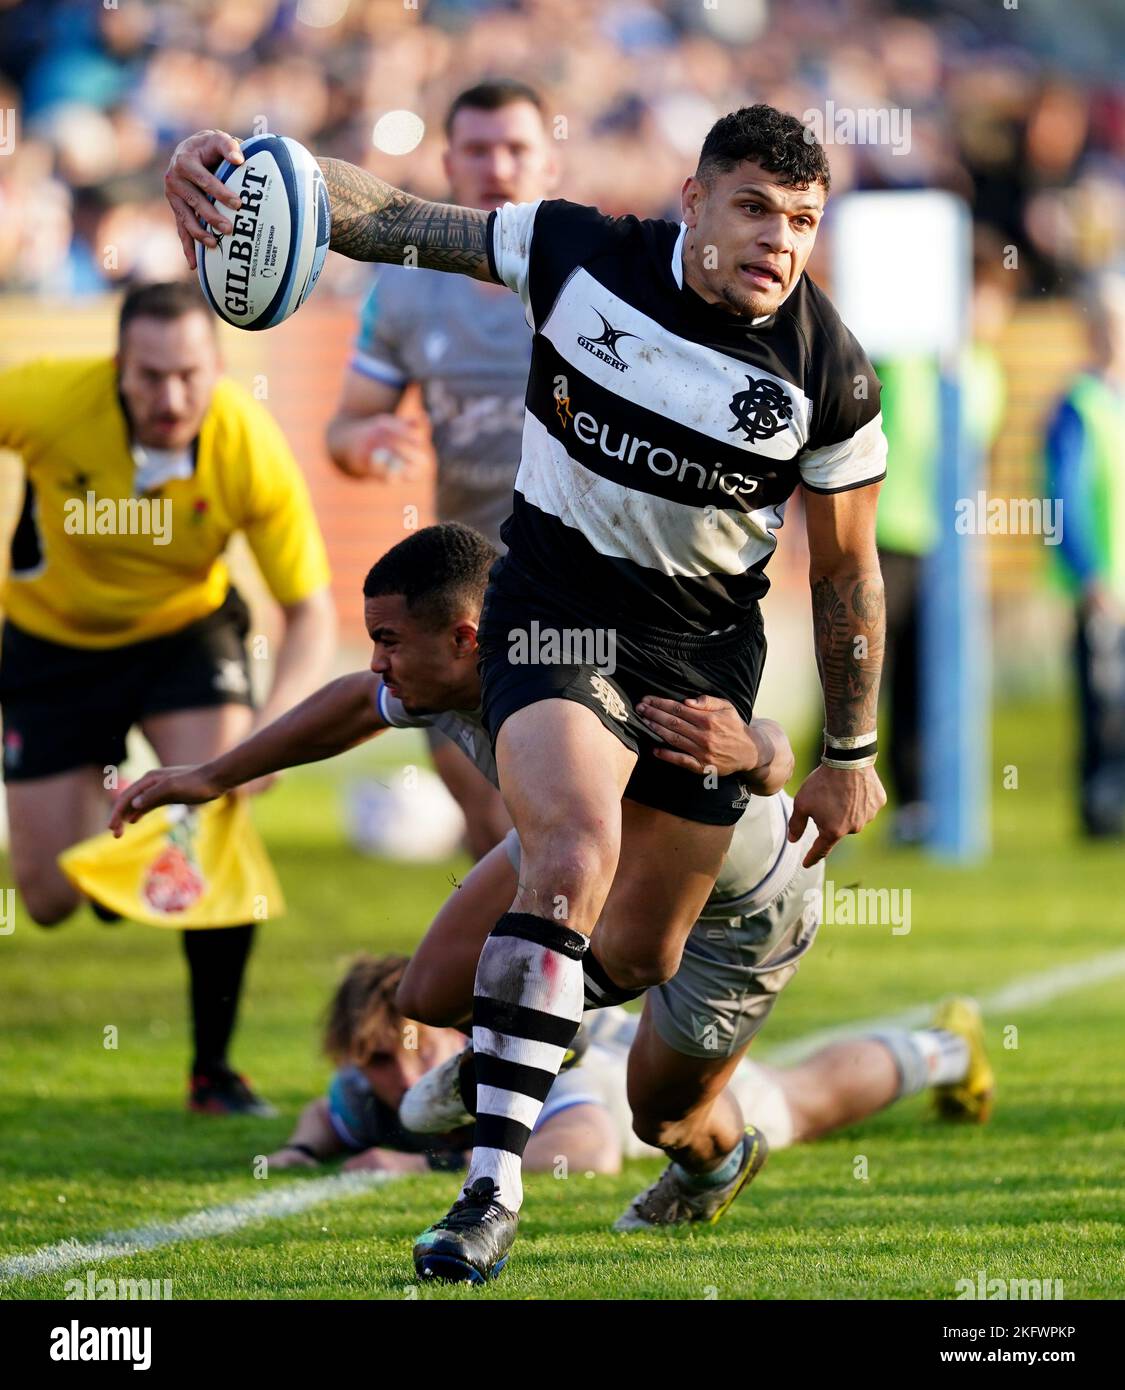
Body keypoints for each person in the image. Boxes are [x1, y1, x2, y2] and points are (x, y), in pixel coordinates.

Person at [165, 101, 889, 1281]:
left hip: (700, 672)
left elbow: (851, 569)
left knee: (625, 978)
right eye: (754, 207)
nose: (778, 240)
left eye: (803, 220)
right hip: (550, 617)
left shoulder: (830, 373)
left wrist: (847, 751)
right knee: (566, 853)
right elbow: (390, 217)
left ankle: (609, 1096)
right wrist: (255, 174)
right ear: (693, 198)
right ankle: (488, 1195)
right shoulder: (575, 253)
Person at [113, 527, 983, 1248]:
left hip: (741, 906)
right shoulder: (451, 674)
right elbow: (347, 706)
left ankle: (715, 1157)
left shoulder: (576, 653)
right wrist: (210, 776)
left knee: (665, 1119)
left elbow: (756, 739)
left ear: (463, 639)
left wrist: (760, 751)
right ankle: (531, 1047)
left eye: (387, 642)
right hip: (579, 877)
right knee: (426, 991)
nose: (377, 664)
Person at [0, 280, 336, 1114]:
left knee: (213, 819)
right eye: (150, 376)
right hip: (50, 648)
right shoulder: (46, 399)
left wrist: (268, 737)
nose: (170, 397)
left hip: (185, 641)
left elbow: (309, 614)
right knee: (47, 900)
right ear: (118, 368)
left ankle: (211, 1072)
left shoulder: (247, 446)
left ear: (218, 366)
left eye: (189, 374)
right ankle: (116, 818)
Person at [267, 952, 994, 1224]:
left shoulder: (515, 1062)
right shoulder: (368, 1087)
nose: (396, 1079)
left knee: (797, 1100)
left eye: (412, 1049)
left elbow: (583, 1152)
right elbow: (330, 1107)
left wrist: (418, 1162)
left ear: (459, 1026)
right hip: (605, 1031)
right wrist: (304, 1147)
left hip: (612, 1075)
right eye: (373, 1062)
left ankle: (948, 1050)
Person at [324, 79, 559, 860]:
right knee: (496, 832)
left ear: (547, 161)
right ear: (448, 162)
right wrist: (366, 442)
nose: (497, 165)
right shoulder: (402, 287)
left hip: (577, 579)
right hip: (464, 595)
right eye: (478, 149)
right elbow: (346, 425)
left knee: (566, 818)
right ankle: (527, 973)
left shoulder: (588, 277)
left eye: (516, 148)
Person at [1044, 272, 1125, 838]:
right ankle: (1102, 813)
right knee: (1104, 707)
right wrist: (1089, 572)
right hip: (1104, 585)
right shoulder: (1079, 404)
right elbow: (1064, 494)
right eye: (1107, 323)